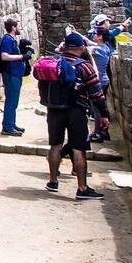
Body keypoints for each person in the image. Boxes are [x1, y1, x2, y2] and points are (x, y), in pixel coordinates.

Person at [46, 32, 106, 200]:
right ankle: (82, 188)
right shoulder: (84, 67)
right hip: (76, 111)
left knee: (55, 146)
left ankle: (52, 181)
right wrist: (104, 114)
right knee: (79, 149)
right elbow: (97, 93)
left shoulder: (53, 63)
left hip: (54, 110)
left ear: (65, 47)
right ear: (81, 48)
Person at [0, 16, 27, 136]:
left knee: (14, 101)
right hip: (11, 74)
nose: (19, 28)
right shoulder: (7, 40)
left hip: (15, 74)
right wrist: (22, 57)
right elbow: (4, 56)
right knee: (11, 100)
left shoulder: (11, 40)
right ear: (13, 28)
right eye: (18, 26)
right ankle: (8, 127)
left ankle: (11, 123)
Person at [87, 25, 113, 142]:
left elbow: (85, 48)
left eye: (96, 34)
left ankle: (98, 133)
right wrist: (76, 33)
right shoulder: (105, 47)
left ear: (100, 37)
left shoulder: (98, 50)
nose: (94, 36)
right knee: (102, 107)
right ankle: (104, 131)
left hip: (98, 82)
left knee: (96, 109)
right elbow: (88, 42)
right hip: (104, 80)